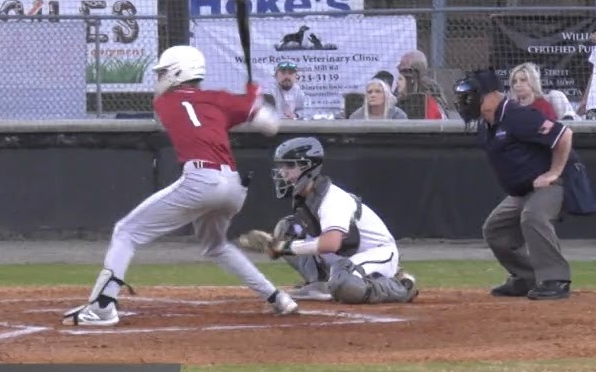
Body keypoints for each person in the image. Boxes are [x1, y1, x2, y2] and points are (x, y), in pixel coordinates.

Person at [62, 44, 296, 327]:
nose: (159, 78)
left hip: (201, 180)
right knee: (216, 246)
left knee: (126, 232)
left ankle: (102, 306)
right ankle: (278, 298)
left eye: (163, 73)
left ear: (177, 72)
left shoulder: (165, 102)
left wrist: (249, 101)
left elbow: (193, 108)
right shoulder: (219, 99)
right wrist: (253, 100)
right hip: (233, 186)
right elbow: (271, 126)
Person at [453, 69, 589, 301]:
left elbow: (564, 135)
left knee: (533, 216)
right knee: (495, 229)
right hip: (526, 189)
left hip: (556, 181)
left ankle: (555, 279)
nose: (467, 102)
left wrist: (554, 172)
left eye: (473, 95)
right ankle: (526, 277)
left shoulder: (516, 115)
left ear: (493, 95)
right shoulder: (486, 124)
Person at [262, 136, 417, 304]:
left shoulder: (333, 199)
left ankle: (401, 286)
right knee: (287, 229)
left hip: (376, 252)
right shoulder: (305, 199)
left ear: (308, 167)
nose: (283, 172)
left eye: (290, 166)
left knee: (344, 284)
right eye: (282, 166)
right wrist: (275, 243)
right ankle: (319, 283)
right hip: (345, 256)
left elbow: (331, 243)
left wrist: (284, 247)